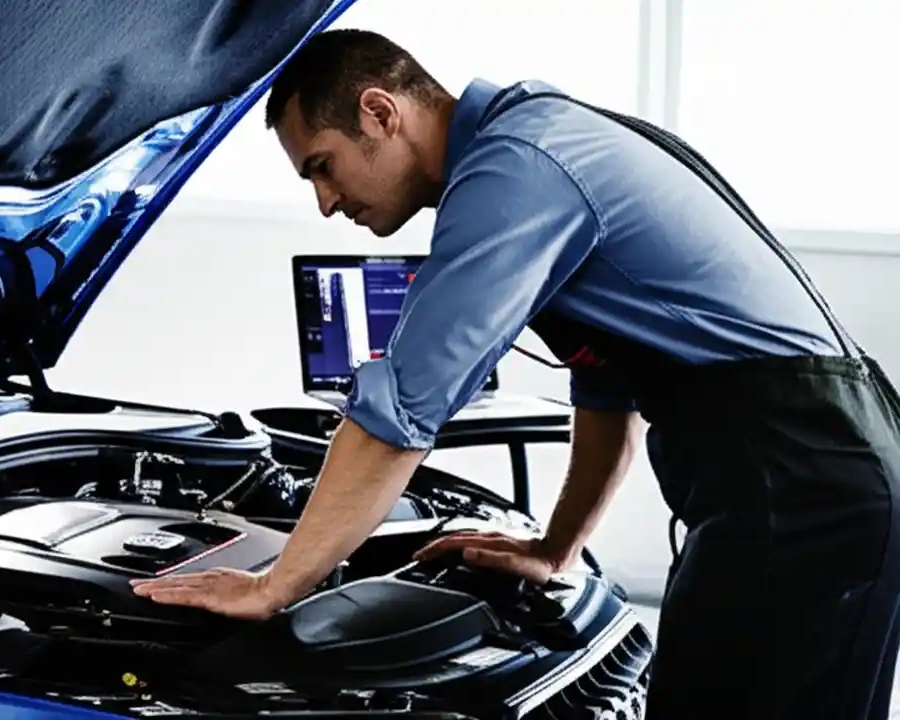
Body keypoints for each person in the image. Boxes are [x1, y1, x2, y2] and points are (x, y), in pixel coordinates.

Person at [131, 29, 900, 719]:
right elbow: (605, 391)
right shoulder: (545, 136)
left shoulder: (516, 169)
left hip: (805, 484)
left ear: (380, 112)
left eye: (322, 168)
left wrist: (276, 587)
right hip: (812, 468)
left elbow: (399, 412)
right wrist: (556, 547)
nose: (327, 203)